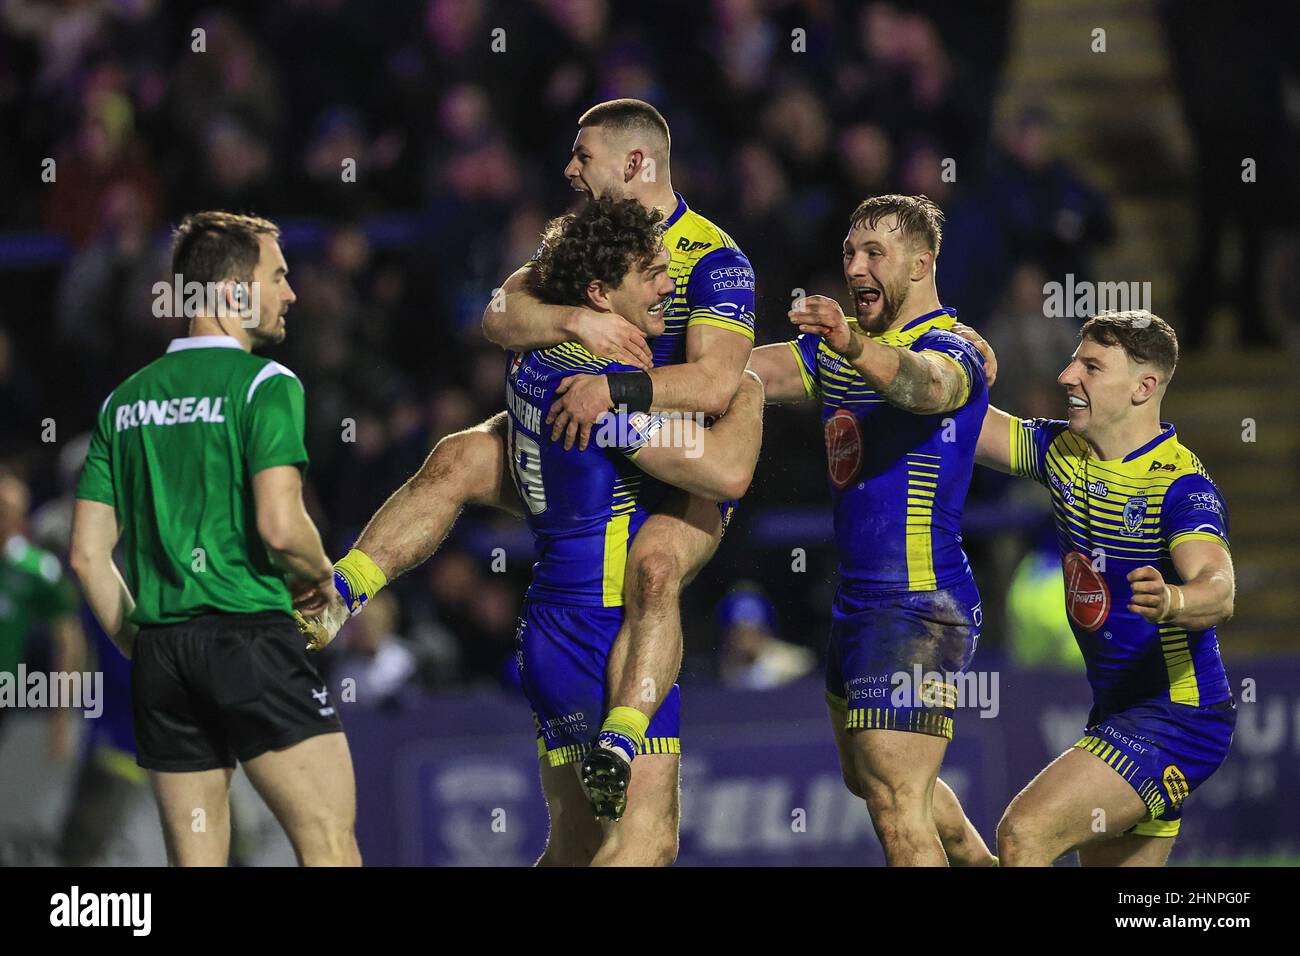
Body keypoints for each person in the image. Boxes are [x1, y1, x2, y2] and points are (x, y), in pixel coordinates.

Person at [298, 99, 758, 819]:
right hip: (584, 441)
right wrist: (575, 318)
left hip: (670, 462)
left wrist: (616, 388)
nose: (569, 170)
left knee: (656, 568)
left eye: (584, 156)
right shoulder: (580, 240)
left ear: (635, 163)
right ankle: (338, 597)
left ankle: (624, 736)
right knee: (453, 460)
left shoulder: (716, 259)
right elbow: (497, 315)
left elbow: (717, 384)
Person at [70, 210, 361, 867]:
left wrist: (139, 643)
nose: (291, 293)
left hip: (164, 660)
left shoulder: (124, 402)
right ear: (233, 293)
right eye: (278, 277)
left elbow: (87, 555)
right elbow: (281, 526)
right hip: (252, 642)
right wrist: (323, 580)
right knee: (329, 844)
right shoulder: (265, 384)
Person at [506, 197, 762, 863]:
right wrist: (750, 390)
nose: (668, 286)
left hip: (549, 630)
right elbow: (727, 472)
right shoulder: (597, 388)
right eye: (651, 273)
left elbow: (499, 313)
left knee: (574, 849)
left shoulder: (536, 354)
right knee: (645, 845)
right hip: (606, 634)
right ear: (598, 292)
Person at [747, 194, 995, 866]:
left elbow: (926, 389)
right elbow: (743, 371)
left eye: (873, 253)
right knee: (873, 780)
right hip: (857, 607)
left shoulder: (951, 349)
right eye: (849, 253)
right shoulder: (833, 353)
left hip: (920, 605)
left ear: (921, 263)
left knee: (894, 802)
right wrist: (633, 368)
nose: (854, 266)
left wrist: (852, 343)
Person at [964, 310, 1236, 866]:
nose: (1067, 376)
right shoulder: (1064, 453)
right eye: (1073, 361)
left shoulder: (1179, 485)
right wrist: (956, 360)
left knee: (1024, 832)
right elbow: (966, 426)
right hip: (1118, 713)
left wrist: (1175, 599)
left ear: (1144, 387)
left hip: (1178, 717)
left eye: (1091, 365)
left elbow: (1219, 586)